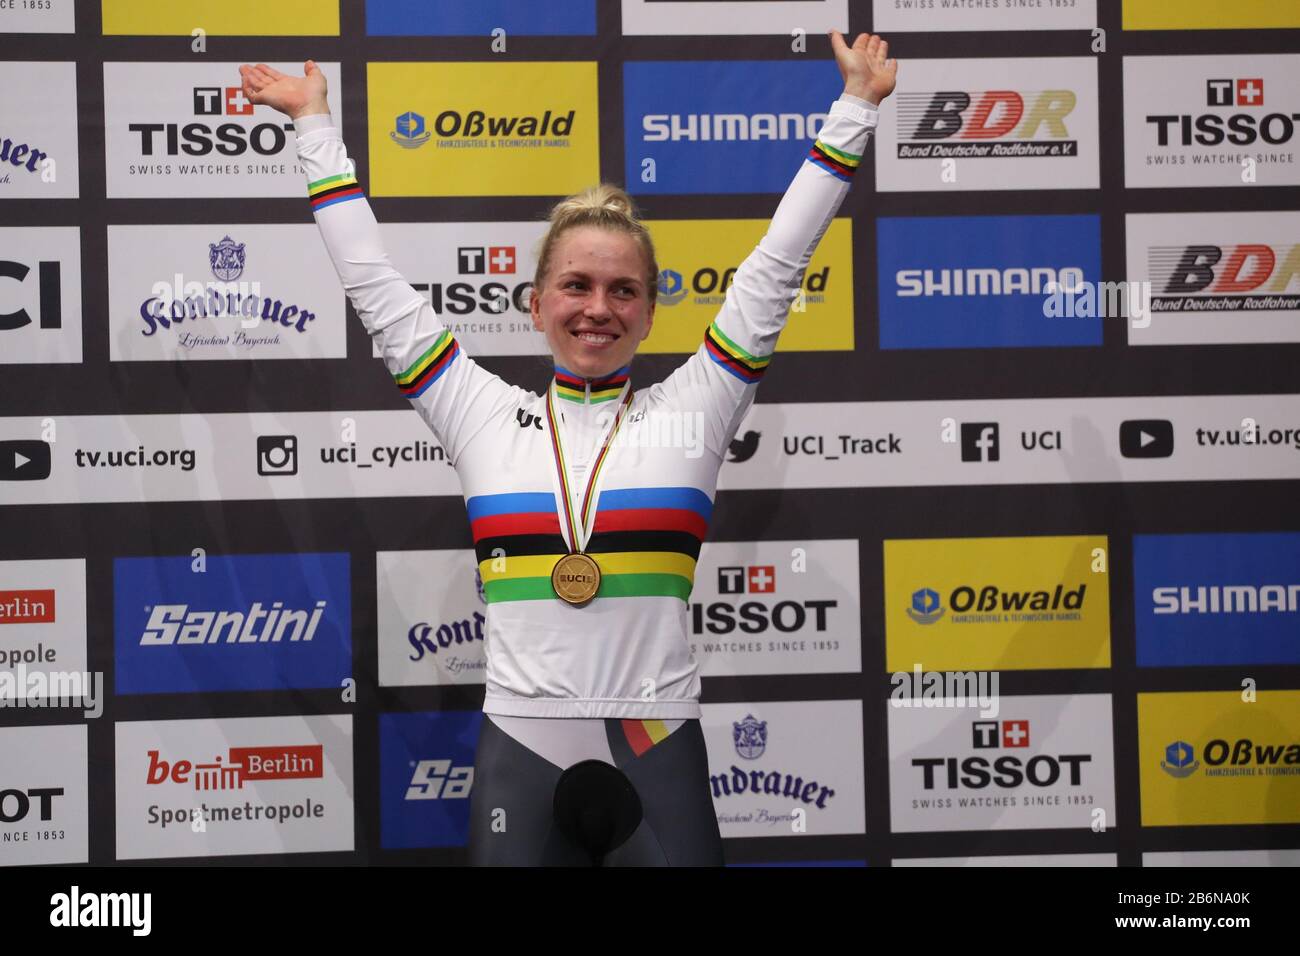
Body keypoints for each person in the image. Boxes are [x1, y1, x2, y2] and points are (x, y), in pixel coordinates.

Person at [238, 32, 896, 866]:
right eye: (576, 286)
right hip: (523, 749)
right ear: (536, 302)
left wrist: (855, 109)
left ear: (651, 313)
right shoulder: (475, 410)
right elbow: (374, 285)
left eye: (624, 290)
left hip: (656, 744)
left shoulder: (700, 405)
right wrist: (313, 125)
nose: (598, 308)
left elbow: (776, 265)